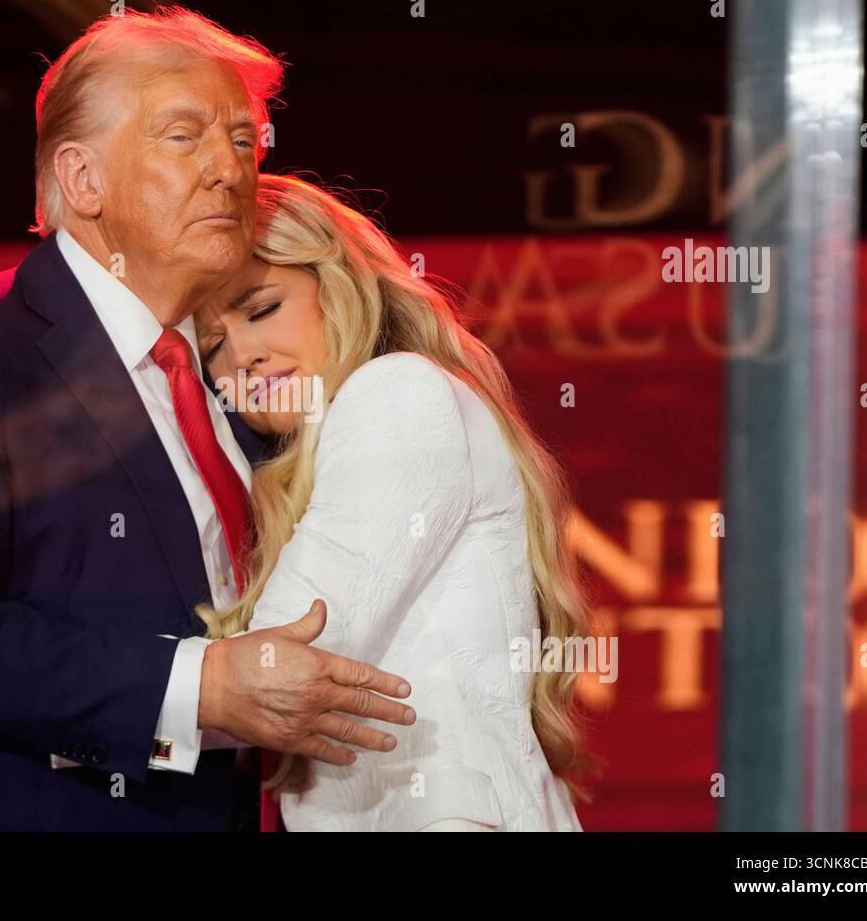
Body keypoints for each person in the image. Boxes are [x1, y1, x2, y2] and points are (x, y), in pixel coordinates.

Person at [0, 8, 416, 832]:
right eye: (183, 136)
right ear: (82, 179)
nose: (228, 170)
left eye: (245, 140)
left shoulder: (239, 390)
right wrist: (197, 690)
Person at [191, 174, 594, 830]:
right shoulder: (362, 424)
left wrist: (111, 693)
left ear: (338, 284)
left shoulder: (396, 394)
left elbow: (286, 650)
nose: (244, 355)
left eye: (261, 309)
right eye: (211, 345)